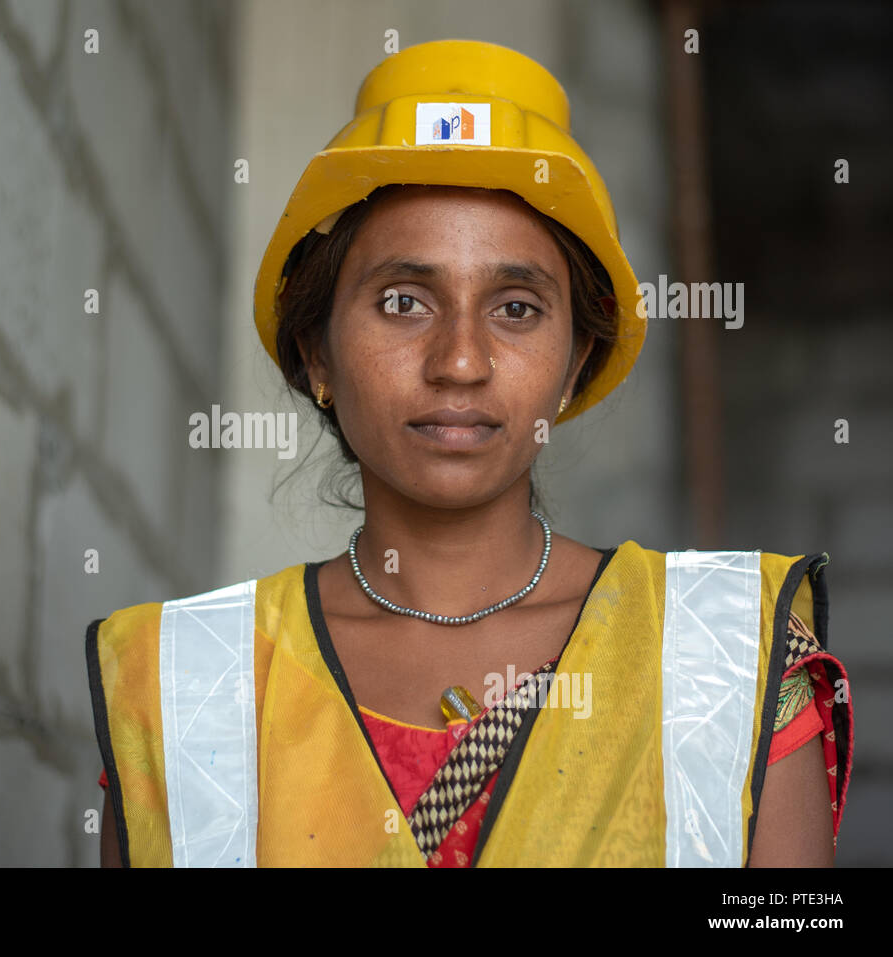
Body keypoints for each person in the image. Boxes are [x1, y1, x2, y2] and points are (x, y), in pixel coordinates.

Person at [85, 39, 852, 867]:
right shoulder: (180, 682)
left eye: (517, 308)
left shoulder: (730, 652)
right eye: (405, 300)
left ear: (575, 365)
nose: (460, 360)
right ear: (317, 354)